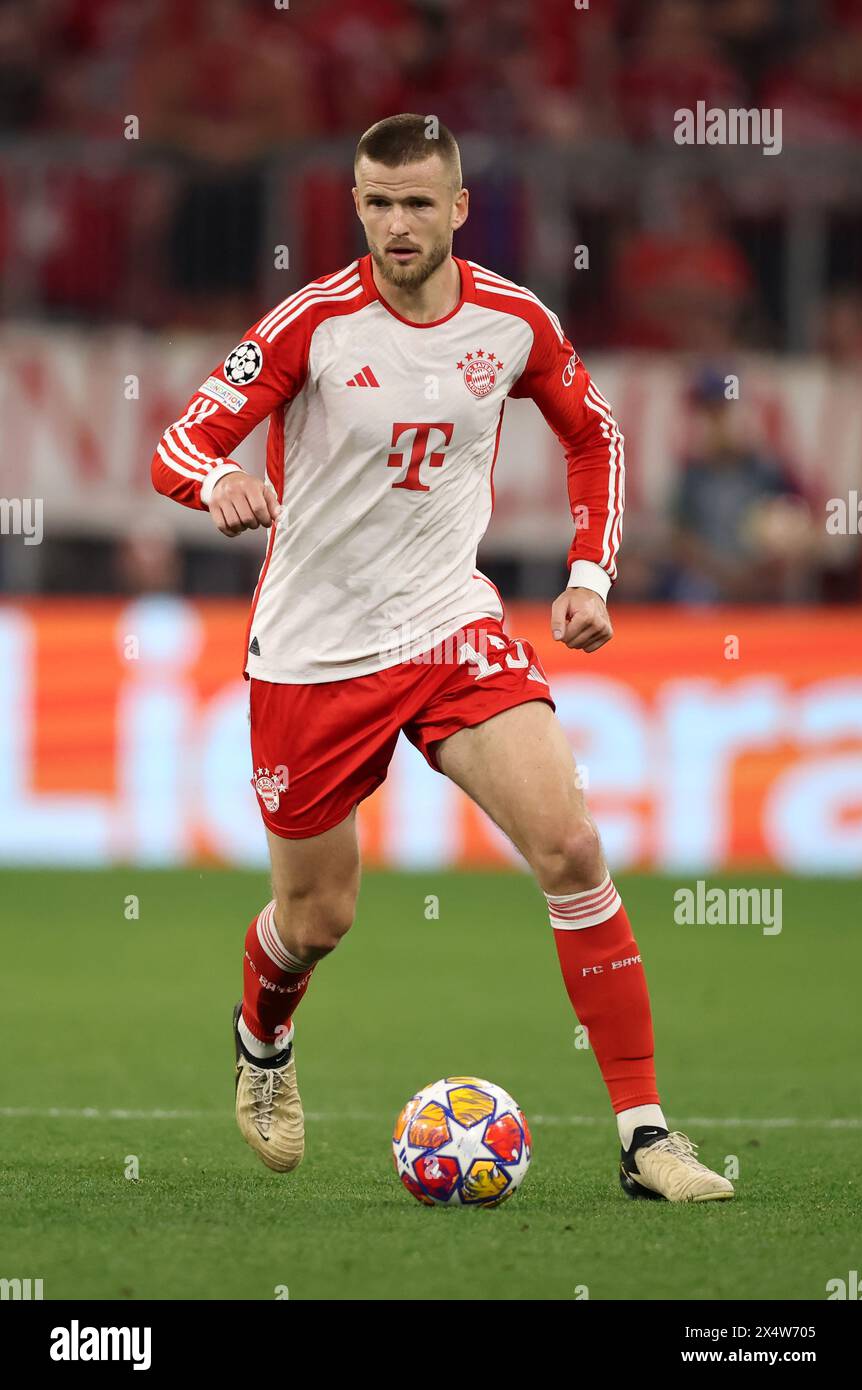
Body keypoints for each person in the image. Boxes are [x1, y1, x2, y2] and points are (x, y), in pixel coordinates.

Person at [151, 113, 733, 1203]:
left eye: (418, 202)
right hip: (314, 651)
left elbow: (593, 431)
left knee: (569, 846)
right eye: (376, 202)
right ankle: (262, 1040)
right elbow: (181, 440)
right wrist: (212, 482)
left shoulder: (511, 321)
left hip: (449, 626)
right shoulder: (310, 323)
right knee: (317, 916)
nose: (396, 223)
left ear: (458, 208)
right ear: (355, 205)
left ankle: (645, 1135)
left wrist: (589, 575)